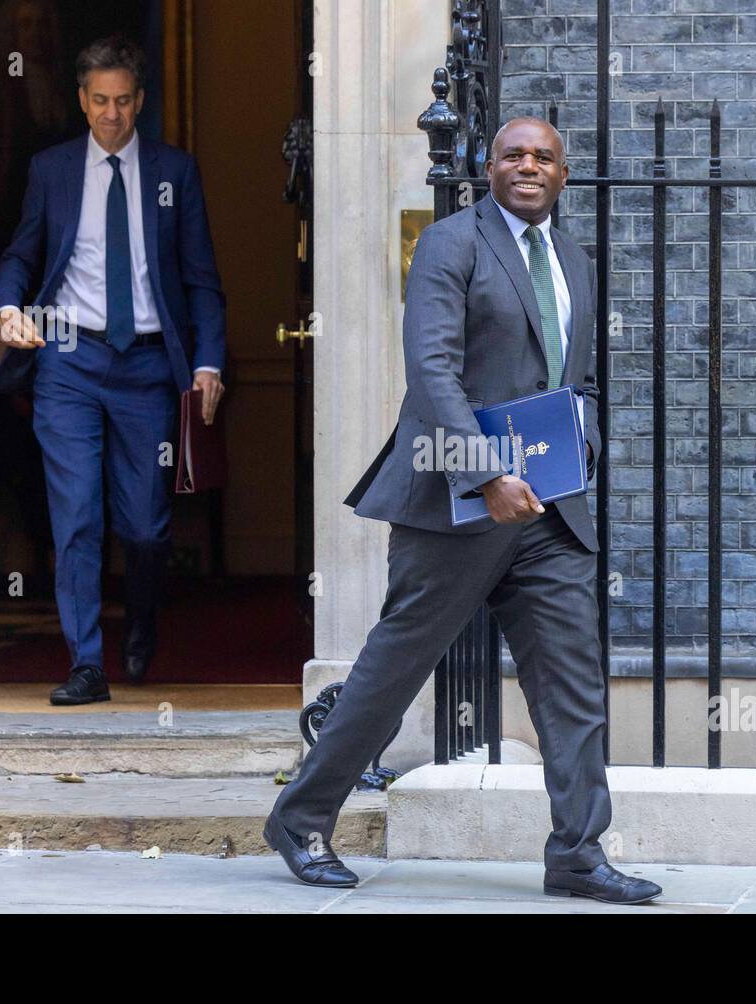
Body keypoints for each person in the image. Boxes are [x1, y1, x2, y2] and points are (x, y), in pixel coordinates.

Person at [263, 118, 661, 905]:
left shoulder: (572, 259)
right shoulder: (453, 244)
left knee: (572, 681)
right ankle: (302, 818)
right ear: (488, 168)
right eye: (514, 154)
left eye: (544, 156)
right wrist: (486, 477)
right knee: (394, 668)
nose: (528, 165)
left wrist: (582, 448)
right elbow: (433, 370)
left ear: (564, 173)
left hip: (547, 509)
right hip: (457, 502)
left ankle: (578, 853)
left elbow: (575, 381)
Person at [0, 34, 226, 704]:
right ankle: (86, 663)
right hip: (68, 362)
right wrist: (7, 306)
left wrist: (208, 361)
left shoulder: (175, 173)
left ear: (140, 102)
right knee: (77, 515)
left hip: (148, 368)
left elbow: (202, 280)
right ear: (82, 101)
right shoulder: (52, 170)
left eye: (123, 101)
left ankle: (142, 622)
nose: (112, 114)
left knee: (146, 528)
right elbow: (21, 254)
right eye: (100, 101)